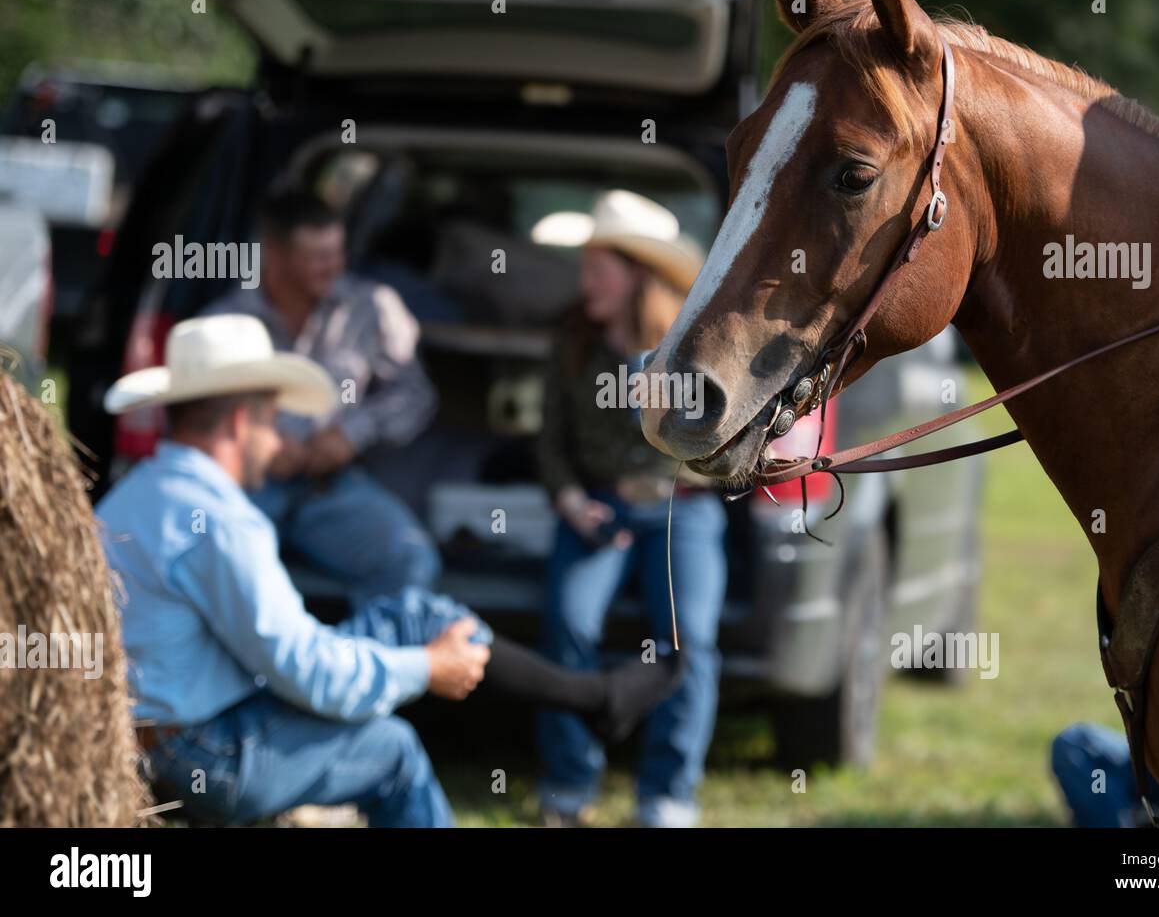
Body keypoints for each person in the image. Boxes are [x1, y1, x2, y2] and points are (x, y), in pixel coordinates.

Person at [96, 314, 679, 827]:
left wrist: (416, 660)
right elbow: (308, 673)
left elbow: (285, 658)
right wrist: (427, 668)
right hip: (205, 752)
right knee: (392, 748)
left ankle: (593, 697)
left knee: (413, 613)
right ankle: (591, 697)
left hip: (154, 737)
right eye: (273, 422)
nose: (278, 443)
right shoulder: (221, 522)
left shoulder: (133, 495)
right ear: (239, 422)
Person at [534, 190, 727, 828]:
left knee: (689, 639)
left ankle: (667, 796)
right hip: (597, 508)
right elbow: (551, 440)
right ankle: (568, 783)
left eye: (597, 268)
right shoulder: (570, 341)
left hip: (682, 510)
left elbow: (718, 440)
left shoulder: (692, 344)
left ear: (635, 273)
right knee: (568, 623)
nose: (584, 282)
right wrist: (570, 502)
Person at [203, 188, 438, 604]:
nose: (334, 267)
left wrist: (352, 434)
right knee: (219, 571)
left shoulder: (372, 307)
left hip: (330, 489)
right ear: (275, 257)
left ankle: (374, 665)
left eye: (337, 253)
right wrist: (259, 449)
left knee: (410, 559)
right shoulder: (225, 323)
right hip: (245, 491)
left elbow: (415, 395)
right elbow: (193, 418)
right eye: (318, 256)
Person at [1050, 722, 1159, 827]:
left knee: (1071, 744)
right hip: (1150, 774)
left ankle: (1124, 812)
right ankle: (1133, 810)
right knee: (1075, 743)